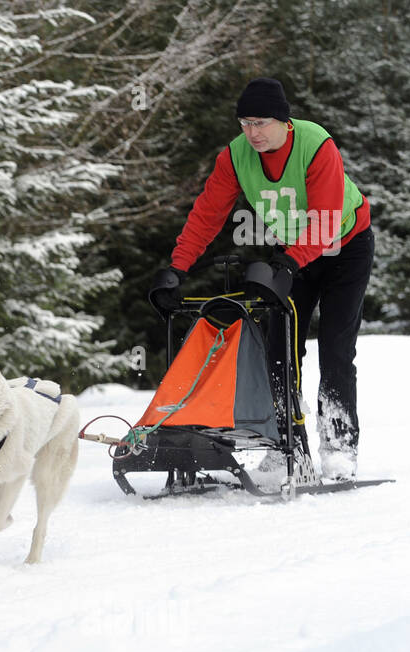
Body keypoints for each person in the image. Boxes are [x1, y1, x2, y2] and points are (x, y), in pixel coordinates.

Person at [149, 77, 373, 481]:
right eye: (245, 123)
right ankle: (286, 445)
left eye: (261, 122)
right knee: (280, 352)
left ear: (285, 122)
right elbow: (207, 215)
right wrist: (177, 268)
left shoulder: (315, 145)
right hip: (293, 252)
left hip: (345, 247)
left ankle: (339, 447)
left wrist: (288, 265)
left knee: (336, 350)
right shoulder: (235, 157)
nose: (252, 132)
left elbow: (324, 219)